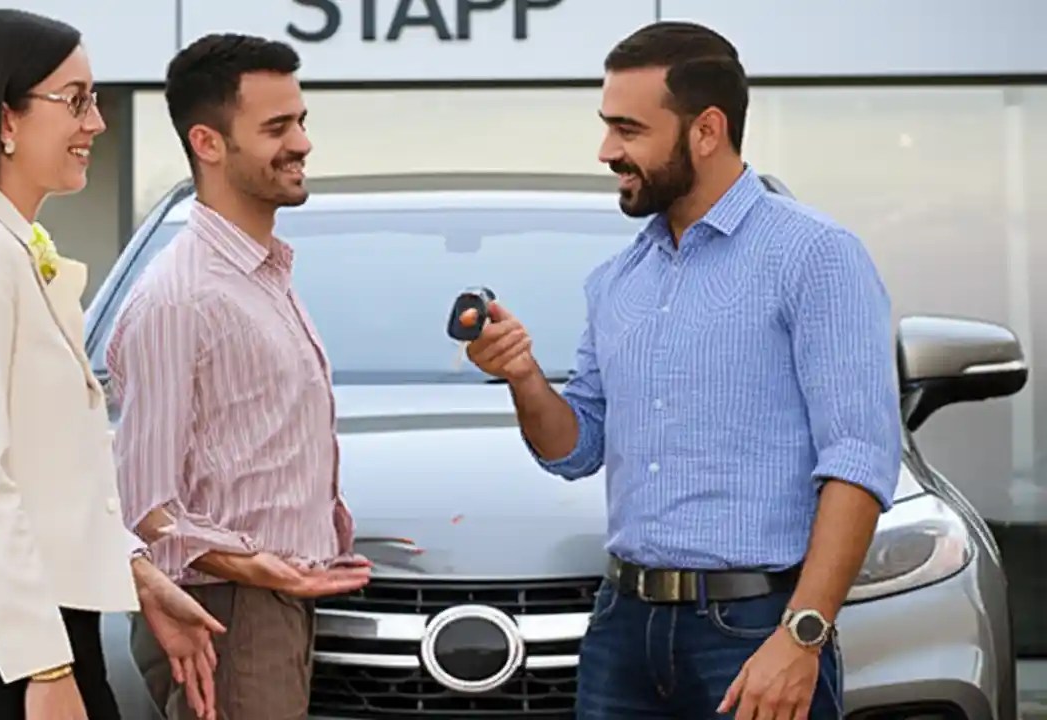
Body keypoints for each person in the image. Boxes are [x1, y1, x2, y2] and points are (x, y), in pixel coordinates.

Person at [463, 21, 902, 720]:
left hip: (756, 627)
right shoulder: (617, 280)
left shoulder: (815, 256)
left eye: (628, 129)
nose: (607, 151)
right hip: (621, 630)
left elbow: (858, 459)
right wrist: (522, 376)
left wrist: (804, 632)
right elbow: (574, 449)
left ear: (707, 130)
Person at [0, 9, 225, 720]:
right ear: (4, 117)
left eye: (94, 99)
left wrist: (141, 579)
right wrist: (44, 665)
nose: (95, 122)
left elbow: (55, 478)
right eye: (75, 100)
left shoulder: (13, 246)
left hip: (33, 629)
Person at [107, 33, 373, 720]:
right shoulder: (181, 298)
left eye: (302, 122)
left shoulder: (262, 278)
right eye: (277, 127)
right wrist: (258, 565)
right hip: (224, 615)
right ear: (209, 142)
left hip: (272, 605)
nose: (303, 143)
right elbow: (145, 504)